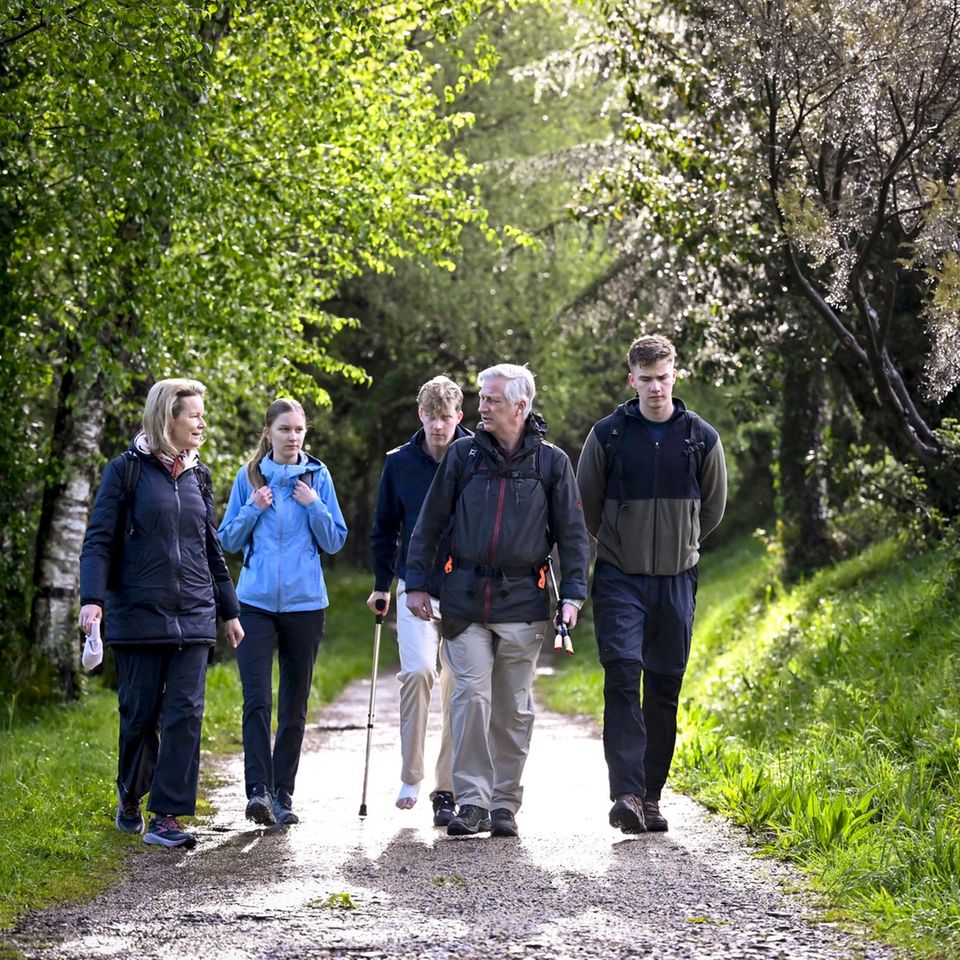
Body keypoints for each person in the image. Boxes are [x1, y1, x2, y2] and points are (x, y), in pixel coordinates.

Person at [405, 363, 589, 838]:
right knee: (470, 697)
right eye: (482, 398)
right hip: (465, 600)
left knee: (512, 709)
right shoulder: (463, 456)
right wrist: (417, 582)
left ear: (520, 406)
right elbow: (430, 522)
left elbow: (572, 535)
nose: (481, 407)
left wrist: (572, 596)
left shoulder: (552, 463)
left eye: (492, 400)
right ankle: (471, 801)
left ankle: (504, 804)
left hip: (524, 603)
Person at [79, 378, 244, 850]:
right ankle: (130, 794)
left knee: (186, 713)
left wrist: (229, 610)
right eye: (194, 415)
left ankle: (166, 816)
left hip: (194, 611)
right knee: (140, 714)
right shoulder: (125, 471)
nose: (202, 423)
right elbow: (99, 540)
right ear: (167, 418)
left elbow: (209, 547)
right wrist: (92, 599)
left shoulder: (199, 475)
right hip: (139, 613)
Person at [576, 334, 727, 834]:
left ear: (674, 375)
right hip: (619, 577)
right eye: (646, 379)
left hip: (677, 581)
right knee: (622, 676)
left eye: (663, 377)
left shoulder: (701, 437)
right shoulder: (608, 435)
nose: (656, 387)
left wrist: (682, 545)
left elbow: (713, 508)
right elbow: (586, 505)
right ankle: (626, 793)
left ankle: (651, 796)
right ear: (632, 380)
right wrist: (623, 542)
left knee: (663, 687)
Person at [218, 398, 347, 826]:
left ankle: (283, 795)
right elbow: (227, 540)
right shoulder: (248, 477)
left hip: (305, 605)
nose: (293, 437)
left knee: (294, 705)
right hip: (253, 604)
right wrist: (253, 508)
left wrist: (313, 504)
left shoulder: (318, 476)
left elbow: (334, 541)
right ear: (268, 433)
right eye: (285, 429)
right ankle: (258, 792)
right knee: (257, 699)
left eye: (299, 430)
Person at [366, 376, 470, 826]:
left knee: (458, 685)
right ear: (420, 416)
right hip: (414, 585)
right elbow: (385, 528)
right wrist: (381, 584)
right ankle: (411, 775)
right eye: (431, 417)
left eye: (446, 417)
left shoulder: (477, 456)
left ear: (458, 417)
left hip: (465, 589)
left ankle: (446, 790)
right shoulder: (400, 463)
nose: (439, 426)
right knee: (419, 671)